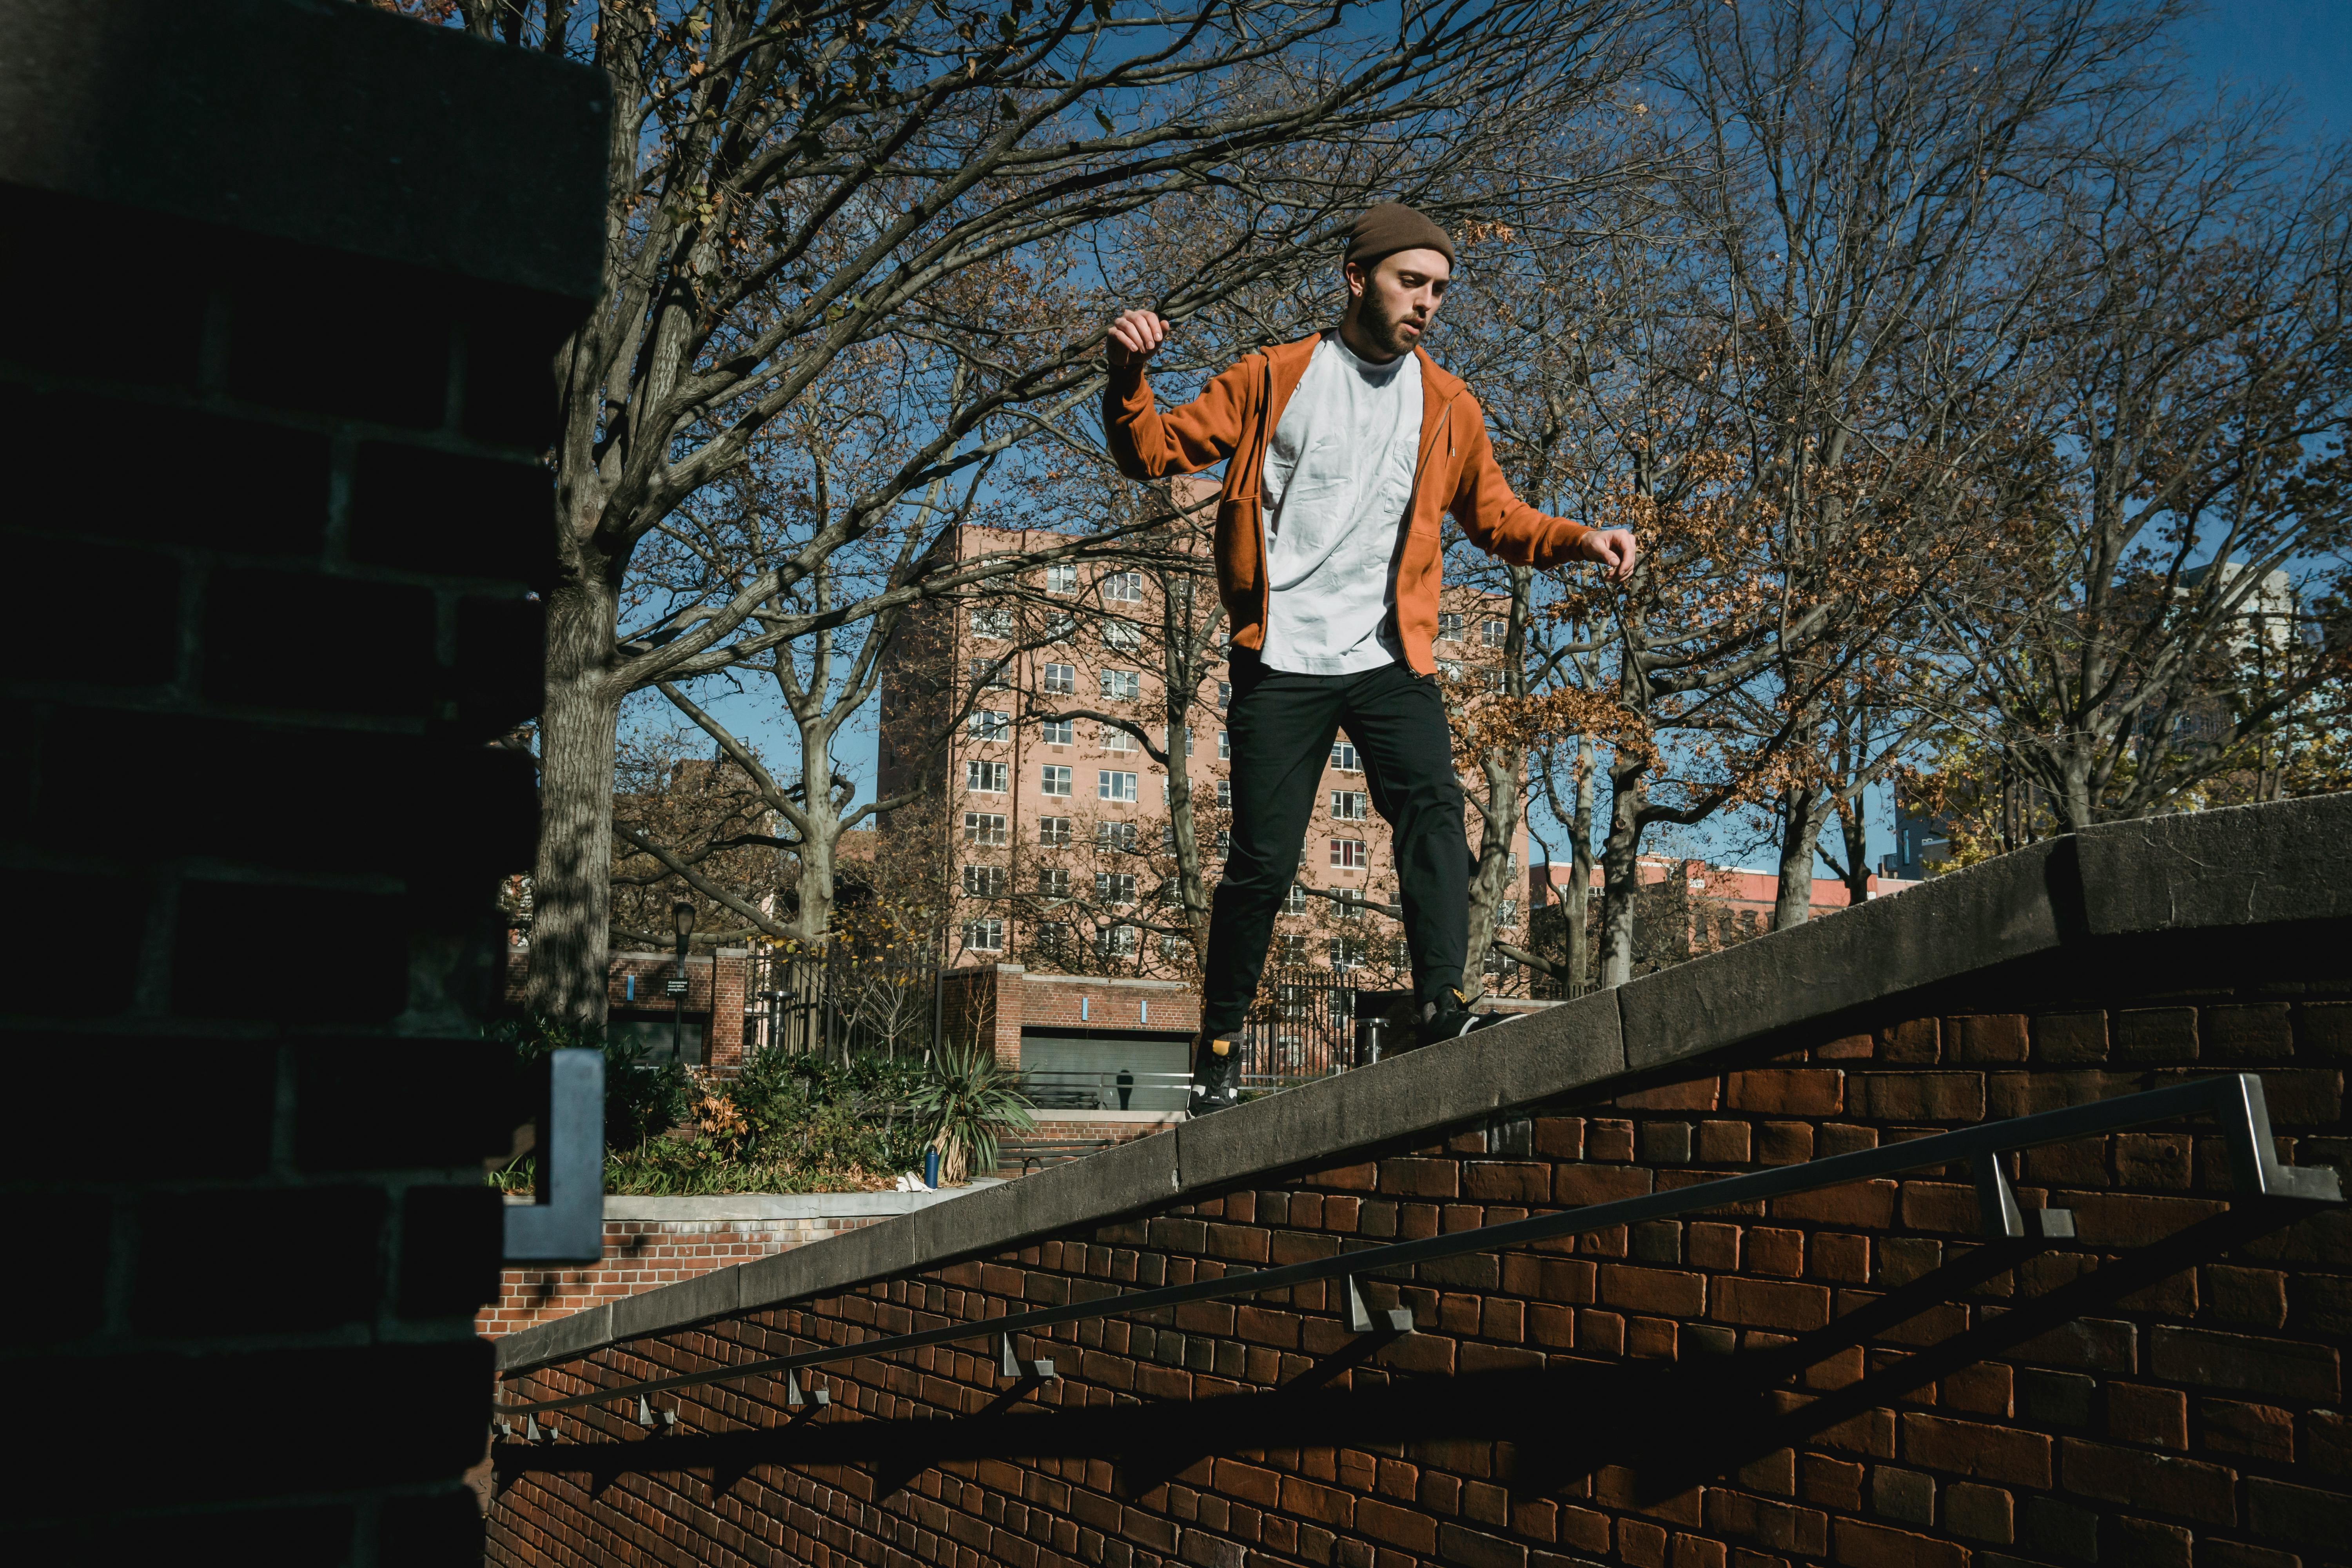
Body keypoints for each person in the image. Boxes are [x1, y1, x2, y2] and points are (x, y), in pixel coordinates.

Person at [1102, 201, 1639, 1118]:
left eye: (1439, 289)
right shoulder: (1276, 376)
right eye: (1411, 282)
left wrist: (1579, 537)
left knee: (1433, 806)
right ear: (1360, 279)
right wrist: (1128, 374)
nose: (1428, 302)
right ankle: (1220, 1047)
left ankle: (1443, 1001)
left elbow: (1497, 519)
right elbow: (1150, 452)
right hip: (1283, 658)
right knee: (1261, 865)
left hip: (1390, 653)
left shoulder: (1449, 404)